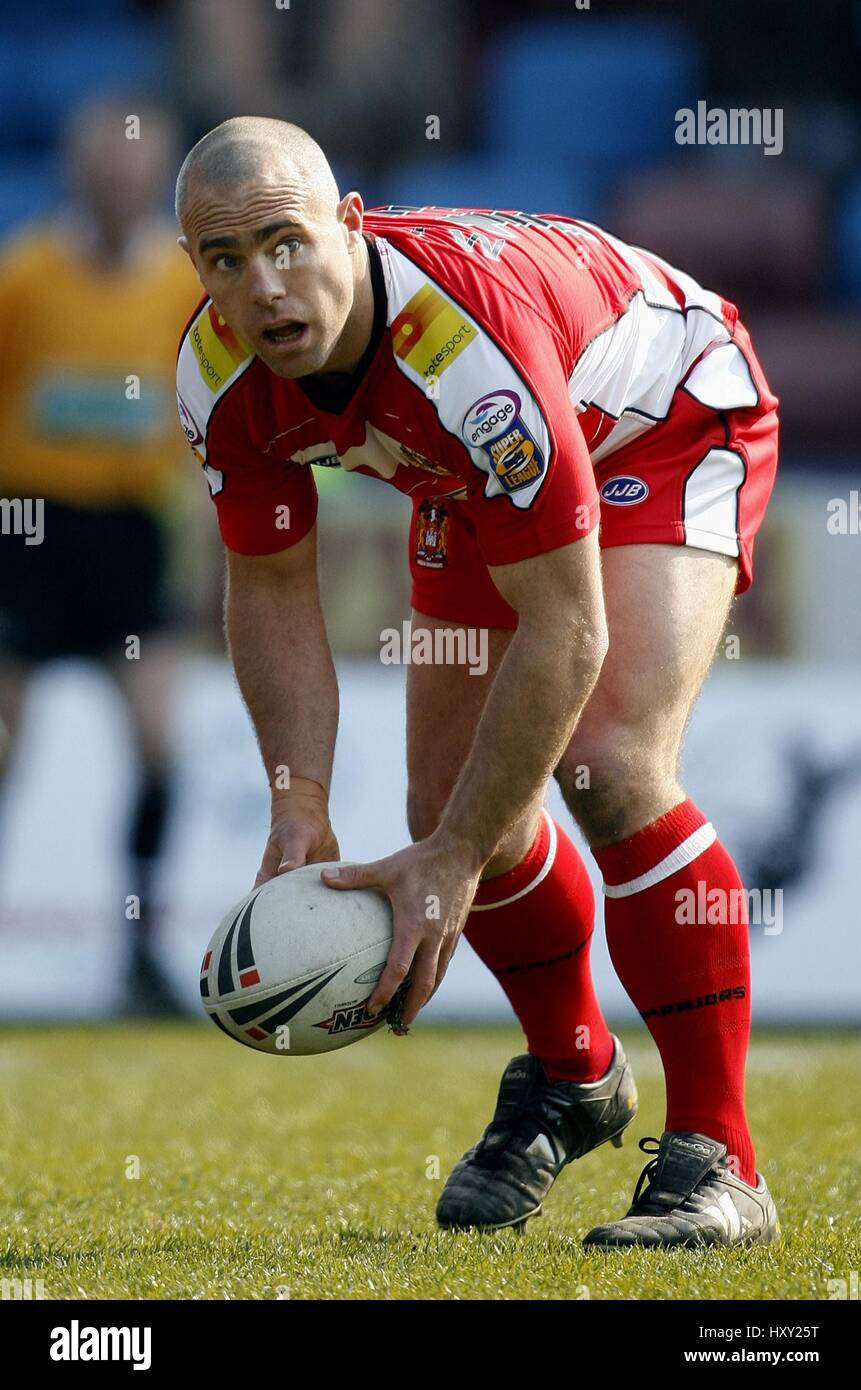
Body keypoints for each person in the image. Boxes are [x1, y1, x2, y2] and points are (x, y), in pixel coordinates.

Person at [174, 116, 780, 1247]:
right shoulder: (216, 376)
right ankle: (574, 1077)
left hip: (666, 416)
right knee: (451, 805)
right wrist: (297, 795)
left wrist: (448, 861)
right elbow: (267, 588)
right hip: (471, 474)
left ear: (349, 225)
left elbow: (567, 631)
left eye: (286, 242)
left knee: (602, 764)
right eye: (224, 260)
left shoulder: (462, 351)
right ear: (195, 270)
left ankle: (721, 1160)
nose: (263, 288)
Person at [0, 97, 202, 1014]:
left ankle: (139, 947)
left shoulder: (182, 285)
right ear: (75, 172)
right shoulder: (25, 279)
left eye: (135, 166)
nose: (118, 181)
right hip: (29, 529)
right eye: (103, 165)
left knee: (159, 744)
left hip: (130, 531)